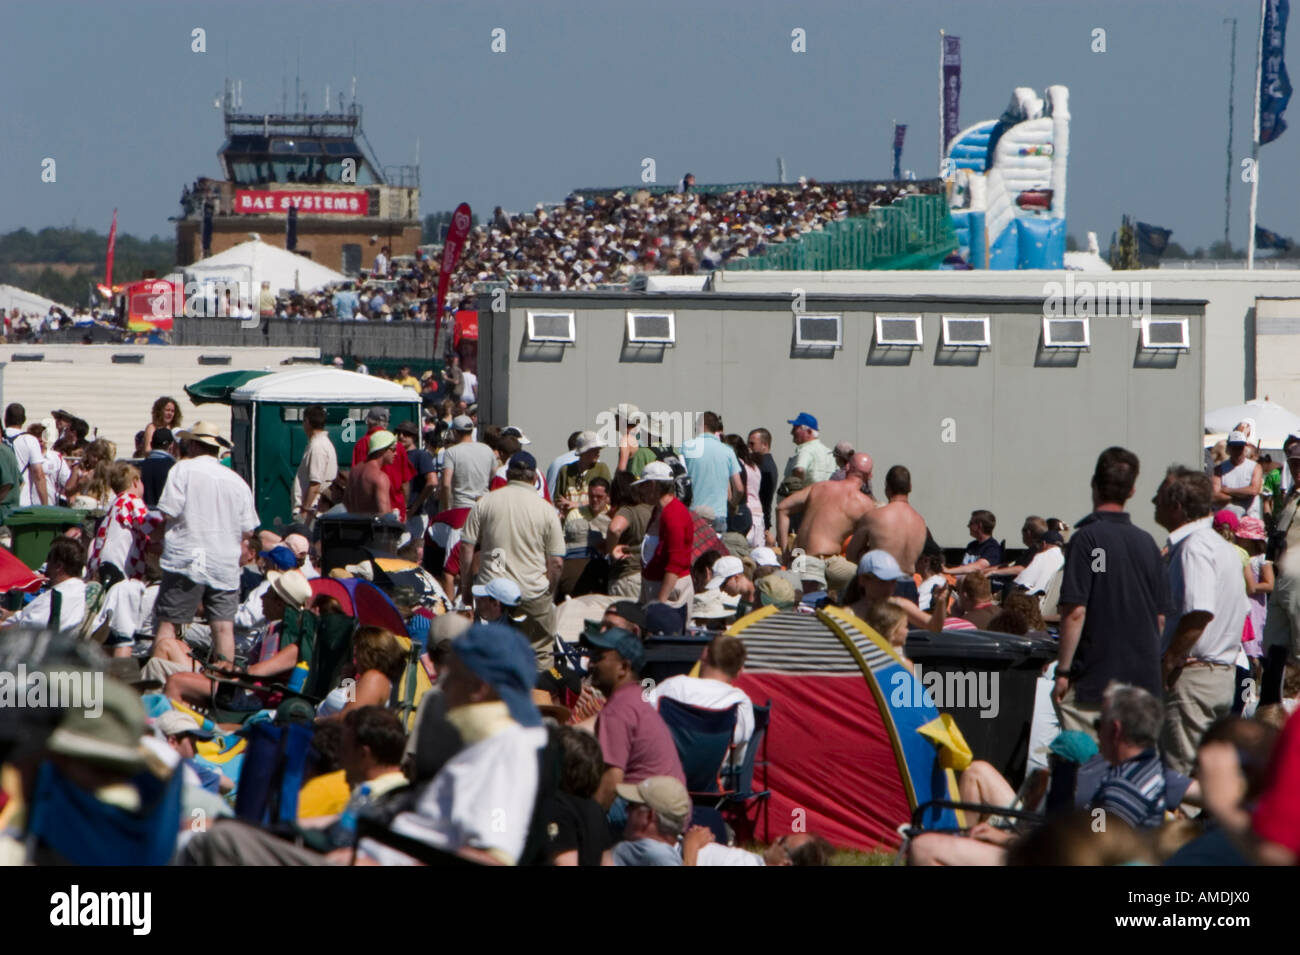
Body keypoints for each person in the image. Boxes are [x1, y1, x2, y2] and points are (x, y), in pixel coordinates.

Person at [365, 622, 549, 866]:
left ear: (478, 689)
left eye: (451, 675)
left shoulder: (508, 751)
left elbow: (492, 857)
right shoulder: (489, 741)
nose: (443, 685)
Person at [1054, 447, 1168, 741]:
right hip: (1143, 685)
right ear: (1131, 490)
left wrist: (1063, 672)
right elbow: (1160, 620)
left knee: (1085, 770)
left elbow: (1075, 611)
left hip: (1095, 683)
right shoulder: (1148, 544)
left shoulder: (1087, 539)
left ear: (1094, 483)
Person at [1155, 466, 1248, 775]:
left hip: (1193, 677)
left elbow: (1200, 612)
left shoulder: (1194, 547)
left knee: (1182, 781)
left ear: (1177, 506)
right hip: (1217, 675)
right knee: (1205, 779)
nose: (1153, 500)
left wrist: (1170, 659)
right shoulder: (1218, 546)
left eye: (1160, 495)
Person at [152, 421, 259, 668]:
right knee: (223, 628)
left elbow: (169, 512)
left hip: (188, 556)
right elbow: (248, 530)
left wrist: (152, 536)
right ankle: (222, 686)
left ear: (192, 444)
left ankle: (158, 681)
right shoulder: (237, 481)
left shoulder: (183, 470)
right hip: (223, 561)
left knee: (170, 622)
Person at [458, 451, 565, 669]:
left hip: (491, 593)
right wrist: (549, 591)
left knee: (490, 655)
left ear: (508, 475)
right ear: (535, 478)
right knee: (539, 656)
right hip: (533, 592)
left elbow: (467, 548)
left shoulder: (485, 503)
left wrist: (466, 588)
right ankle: (537, 699)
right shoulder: (546, 510)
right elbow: (556, 562)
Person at [584, 627, 686, 815]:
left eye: (599, 657)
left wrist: (587, 826)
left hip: (647, 813)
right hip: (669, 810)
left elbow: (612, 780)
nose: (591, 664)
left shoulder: (618, 709)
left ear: (623, 667)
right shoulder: (634, 699)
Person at [775, 452, 875, 595]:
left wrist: (785, 551)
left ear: (847, 467)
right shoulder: (865, 505)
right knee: (870, 580)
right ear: (869, 476)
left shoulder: (819, 487)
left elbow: (781, 508)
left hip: (798, 557)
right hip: (821, 561)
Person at [645, 635, 754, 763]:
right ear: (739, 671)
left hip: (665, 773)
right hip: (712, 779)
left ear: (704, 655)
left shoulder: (672, 687)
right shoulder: (739, 703)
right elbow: (737, 760)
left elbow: (641, 723)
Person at [845, 465, 928, 596]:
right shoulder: (920, 522)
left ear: (887, 488)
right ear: (910, 487)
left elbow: (851, 554)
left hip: (882, 585)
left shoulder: (874, 517)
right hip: (909, 586)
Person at [85, 462, 156, 588]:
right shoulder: (130, 500)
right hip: (119, 573)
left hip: (99, 571)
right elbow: (152, 529)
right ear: (135, 481)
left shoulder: (116, 504)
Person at [636, 461, 694, 611]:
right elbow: (656, 550)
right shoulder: (658, 511)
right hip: (654, 585)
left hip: (669, 591)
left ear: (653, 485)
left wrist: (660, 603)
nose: (640, 490)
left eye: (643, 485)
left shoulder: (674, 513)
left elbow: (676, 561)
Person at [0, 538, 87, 634]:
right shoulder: (77, 590)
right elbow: (27, 618)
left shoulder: (58, 598)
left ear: (58, 566)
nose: (45, 563)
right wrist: (4, 614)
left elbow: (22, 631)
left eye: (49, 558)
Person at [681, 412, 742, 535]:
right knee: (716, 553)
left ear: (701, 426)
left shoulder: (686, 447)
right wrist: (732, 504)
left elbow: (679, 481)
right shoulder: (727, 451)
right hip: (718, 514)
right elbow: (739, 488)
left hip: (692, 513)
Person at [351, 406, 415, 521]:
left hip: (369, 511)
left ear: (369, 422)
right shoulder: (398, 446)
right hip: (396, 509)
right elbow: (405, 483)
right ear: (385, 423)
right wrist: (404, 508)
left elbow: (356, 481)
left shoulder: (361, 444)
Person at [611, 776, 692, 866]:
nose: (626, 809)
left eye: (632, 805)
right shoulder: (696, 847)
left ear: (650, 816)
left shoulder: (654, 854)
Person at [605, 471, 655, 598]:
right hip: (646, 575)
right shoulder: (649, 509)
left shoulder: (627, 511)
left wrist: (610, 550)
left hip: (626, 576)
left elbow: (614, 529)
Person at [440, 414, 496, 511]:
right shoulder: (487, 449)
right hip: (483, 505)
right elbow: (494, 476)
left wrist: (446, 508)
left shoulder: (451, 452)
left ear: (455, 432)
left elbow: (446, 484)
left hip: (461, 507)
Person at [293, 404, 338, 525]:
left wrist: (304, 512)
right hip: (313, 511)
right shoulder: (319, 444)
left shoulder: (317, 446)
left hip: (312, 513)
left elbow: (315, 483)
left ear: (307, 421)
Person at [394, 420, 437, 541]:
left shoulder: (420, 455)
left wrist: (414, 508)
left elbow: (432, 481)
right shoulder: (395, 455)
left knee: (412, 551)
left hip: (414, 515)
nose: (401, 436)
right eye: (399, 433)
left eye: (406, 433)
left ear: (414, 437)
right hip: (398, 512)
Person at [723, 433, 765, 546]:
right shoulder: (754, 466)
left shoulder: (736, 465)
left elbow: (736, 489)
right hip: (757, 513)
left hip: (741, 509)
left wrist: (731, 505)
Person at [1212, 429, 1263, 520]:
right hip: (1227, 521)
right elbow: (1215, 495)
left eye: (1240, 447)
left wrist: (1227, 490)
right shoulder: (1219, 469)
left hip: (1250, 519)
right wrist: (1241, 496)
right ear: (1229, 448)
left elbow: (1253, 490)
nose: (1237, 450)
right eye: (1234, 447)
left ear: (1245, 447)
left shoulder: (1255, 467)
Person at [5, 403, 48, 506]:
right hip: (21, 501)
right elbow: (39, 474)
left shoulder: (2, 438)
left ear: (5, 419)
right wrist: (45, 504)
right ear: (24, 419)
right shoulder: (29, 440)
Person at [552, 431, 610, 507]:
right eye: (595, 449)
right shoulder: (565, 470)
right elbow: (558, 500)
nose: (598, 453)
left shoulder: (602, 469)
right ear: (584, 451)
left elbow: (607, 498)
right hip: (570, 518)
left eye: (599, 449)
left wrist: (576, 504)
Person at [345, 430, 397, 515]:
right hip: (371, 527)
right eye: (393, 449)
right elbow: (385, 516)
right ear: (382, 450)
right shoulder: (379, 477)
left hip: (352, 525)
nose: (396, 453)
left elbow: (346, 504)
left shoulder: (354, 471)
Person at [783, 412, 836, 490]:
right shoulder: (829, 452)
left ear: (809, 432)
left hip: (806, 500)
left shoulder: (806, 450)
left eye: (795, 428)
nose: (791, 432)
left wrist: (795, 491)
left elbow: (799, 470)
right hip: (825, 499)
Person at [943, 510, 1003, 577]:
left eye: (971, 523)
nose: (968, 526)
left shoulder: (992, 548)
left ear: (979, 526)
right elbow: (963, 567)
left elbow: (977, 567)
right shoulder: (972, 545)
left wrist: (948, 570)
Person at [747, 427, 779, 543]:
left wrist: (765, 524)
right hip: (761, 519)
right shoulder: (766, 464)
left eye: (752, 444)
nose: (749, 447)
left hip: (758, 520)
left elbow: (764, 497)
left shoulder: (763, 467)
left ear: (764, 445)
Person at [139, 427, 178, 508]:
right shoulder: (175, 468)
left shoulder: (137, 468)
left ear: (151, 444)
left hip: (142, 517)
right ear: (171, 446)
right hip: (165, 517)